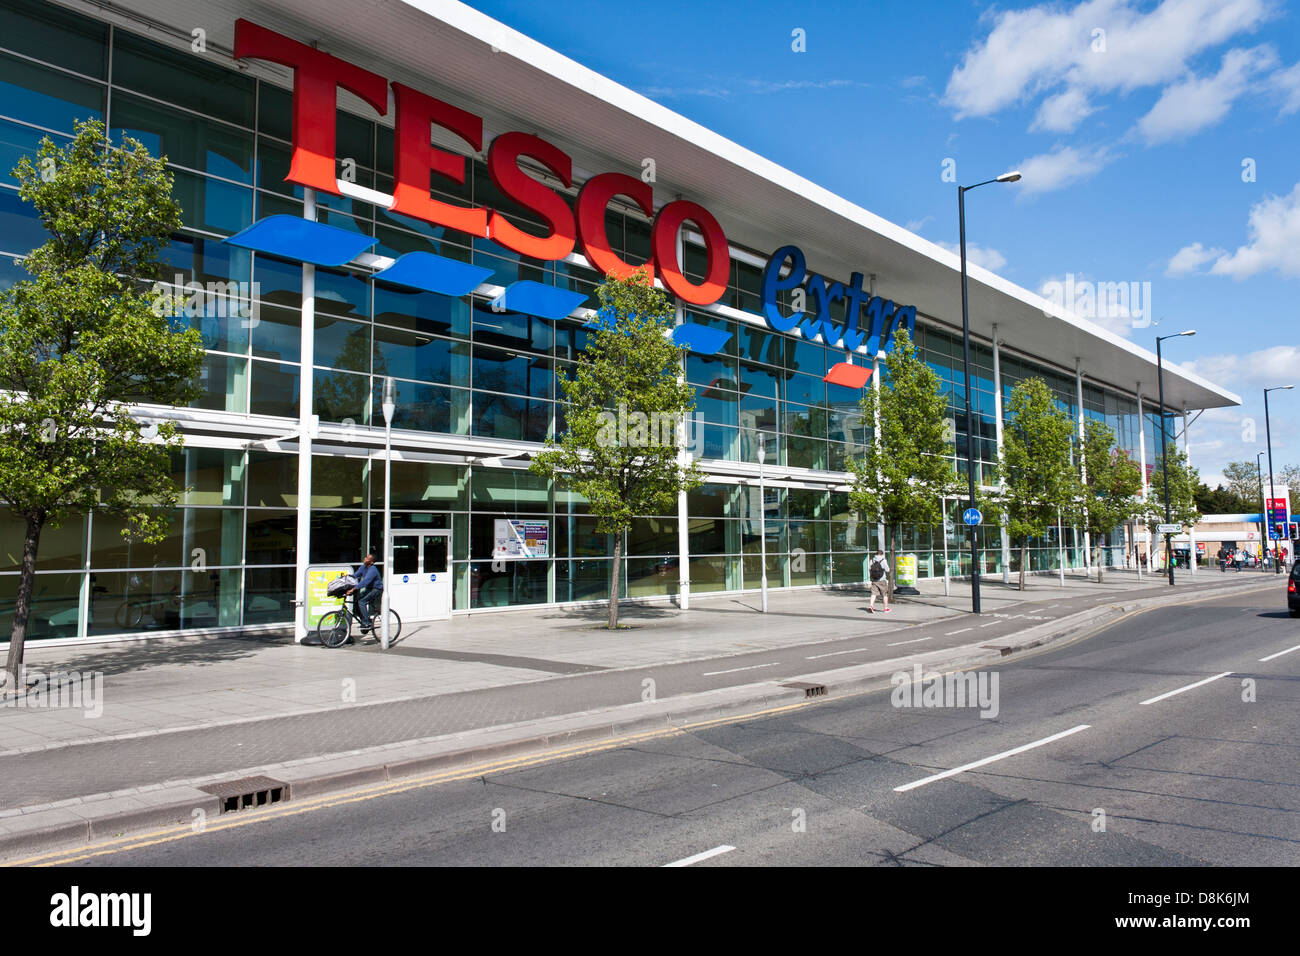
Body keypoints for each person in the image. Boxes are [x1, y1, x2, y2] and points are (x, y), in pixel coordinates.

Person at [347, 553, 383, 640]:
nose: (365, 558)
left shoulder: (373, 570)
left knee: (362, 602)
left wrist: (354, 589)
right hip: (369, 588)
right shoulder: (363, 567)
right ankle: (364, 620)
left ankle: (366, 622)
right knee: (357, 602)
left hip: (376, 589)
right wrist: (346, 578)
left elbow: (365, 582)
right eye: (365, 557)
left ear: (371, 562)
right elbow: (356, 575)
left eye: (367, 558)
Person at [866, 549, 891, 614]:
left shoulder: (871, 560)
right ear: (882, 554)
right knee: (884, 594)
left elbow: (869, 569)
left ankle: (871, 606)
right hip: (882, 580)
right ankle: (885, 608)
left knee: (873, 594)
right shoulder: (883, 560)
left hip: (874, 580)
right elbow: (887, 570)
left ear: (876, 554)